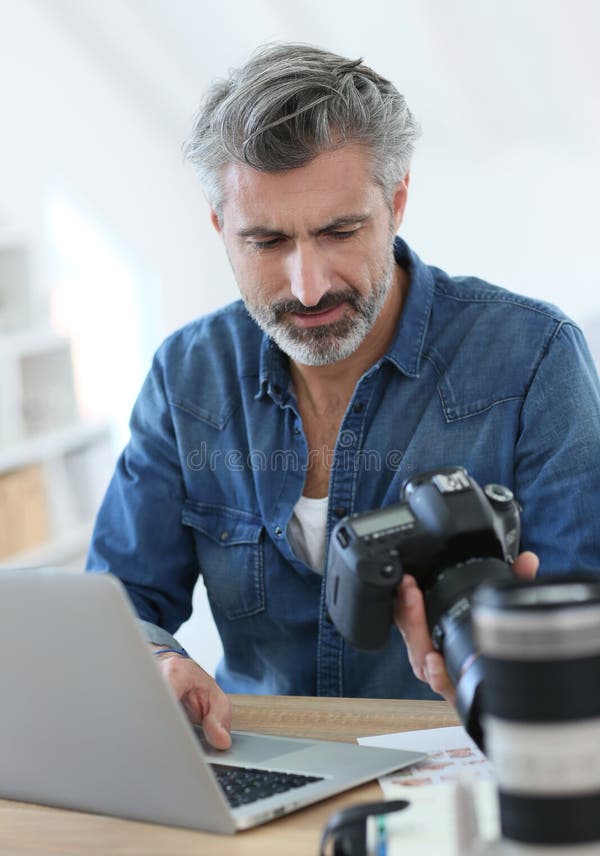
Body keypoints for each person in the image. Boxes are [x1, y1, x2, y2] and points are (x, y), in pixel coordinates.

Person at [87, 43, 600, 749]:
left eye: (339, 232)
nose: (307, 286)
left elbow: (586, 619)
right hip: (258, 759)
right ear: (220, 229)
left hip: (468, 759)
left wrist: (520, 664)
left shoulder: (533, 358)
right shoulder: (187, 376)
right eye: (266, 242)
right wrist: (157, 661)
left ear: (396, 203)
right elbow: (117, 599)